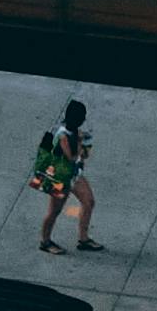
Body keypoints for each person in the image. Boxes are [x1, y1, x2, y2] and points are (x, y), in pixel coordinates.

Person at [31, 100, 96, 254]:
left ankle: (83, 239)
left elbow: (83, 156)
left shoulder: (76, 133)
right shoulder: (62, 136)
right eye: (82, 117)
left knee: (89, 202)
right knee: (54, 211)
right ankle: (45, 242)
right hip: (59, 179)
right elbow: (71, 157)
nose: (83, 120)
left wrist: (86, 145)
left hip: (73, 176)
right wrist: (80, 142)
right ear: (77, 119)